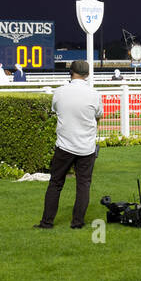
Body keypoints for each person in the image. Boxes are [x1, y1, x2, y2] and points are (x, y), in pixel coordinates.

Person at [38, 60, 103, 230]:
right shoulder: (94, 94)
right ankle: (77, 222)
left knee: (56, 183)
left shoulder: (60, 92)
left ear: (71, 72)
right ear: (87, 74)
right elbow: (98, 116)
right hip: (86, 147)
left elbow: (56, 110)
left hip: (64, 145)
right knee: (83, 185)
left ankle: (47, 222)